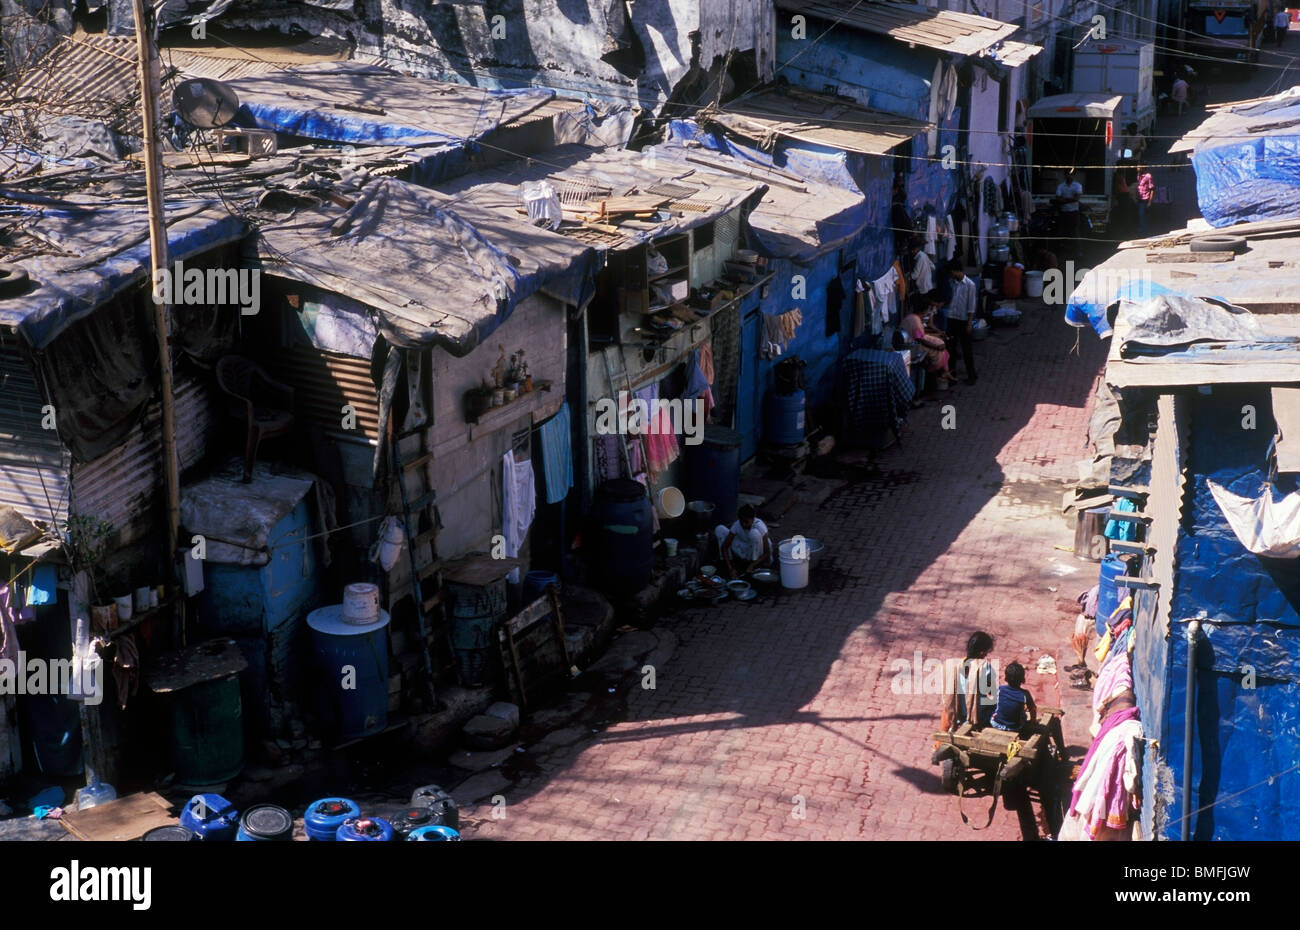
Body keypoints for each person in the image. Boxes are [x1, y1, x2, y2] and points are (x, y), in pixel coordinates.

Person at [941, 631, 996, 731]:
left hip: (956, 713)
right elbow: (992, 693)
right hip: (974, 716)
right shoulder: (985, 668)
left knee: (944, 711)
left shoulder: (951, 665)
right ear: (982, 652)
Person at [900, 304, 955, 386]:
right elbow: (920, 339)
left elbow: (921, 335)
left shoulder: (912, 317)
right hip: (913, 346)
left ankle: (945, 372)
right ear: (923, 311)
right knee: (940, 352)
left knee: (943, 348)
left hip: (912, 342)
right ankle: (940, 372)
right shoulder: (915, 321)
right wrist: (936, 347)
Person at [943, 259, 977, 385]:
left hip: (963, 321)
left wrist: (969, 323)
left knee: (966, 350)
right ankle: (952, 375)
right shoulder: (952, 283)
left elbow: (971, 306)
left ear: (956, 271)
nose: (951, 275)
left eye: (952, 272)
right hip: (952, 318)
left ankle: (972, 376)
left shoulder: (970, 285)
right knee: (951, 348)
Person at [715, 504, 772, 578]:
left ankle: (755, 566)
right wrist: (730, 568)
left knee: (754, 534)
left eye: (746, 522)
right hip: (745, 550)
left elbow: (767, 553)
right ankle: (728, 563)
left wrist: (752, 565)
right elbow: (725, 546)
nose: (744, 524)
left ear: (753, 518)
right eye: (741, 522)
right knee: (719, 529)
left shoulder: (760, 526)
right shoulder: (737, 524)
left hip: (759, 554)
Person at [990, 661, 1037, 731]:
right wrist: (1033, 721)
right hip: (1015, 727)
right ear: (1022, 679)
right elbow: (1033, 709)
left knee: (996, 709)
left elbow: (994, 700)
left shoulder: (1000, 689)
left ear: (1006, 677)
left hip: (996, 724)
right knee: (1024, 715)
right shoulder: (1025, 694)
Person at [1055, 168, 1083, 260]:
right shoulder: (1060, 186)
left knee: (1075, 232)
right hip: (1063, 213)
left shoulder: (1078, 185)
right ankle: (1060, 251)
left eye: (1071, 174)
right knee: (1061, 232)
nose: (1069, 176)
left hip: (1073, 212)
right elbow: (1058, 198)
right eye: (1067, 174)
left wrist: (1063, 200)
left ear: (1074, 176)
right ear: (1065, 175)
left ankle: (1078, 251)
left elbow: (1077, 198)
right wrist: (1071, 199)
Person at [1136, 166, 1154, 237]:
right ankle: (1142, 231)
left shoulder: (1148, 176)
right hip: (1139, 199)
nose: (1137, 168)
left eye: (1139, 167)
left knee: (1143, 216)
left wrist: (1150, 201)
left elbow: (1152, 189)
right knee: (1141, 216)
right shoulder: (1139, 175)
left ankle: (1144, 233)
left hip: (1145, 199)